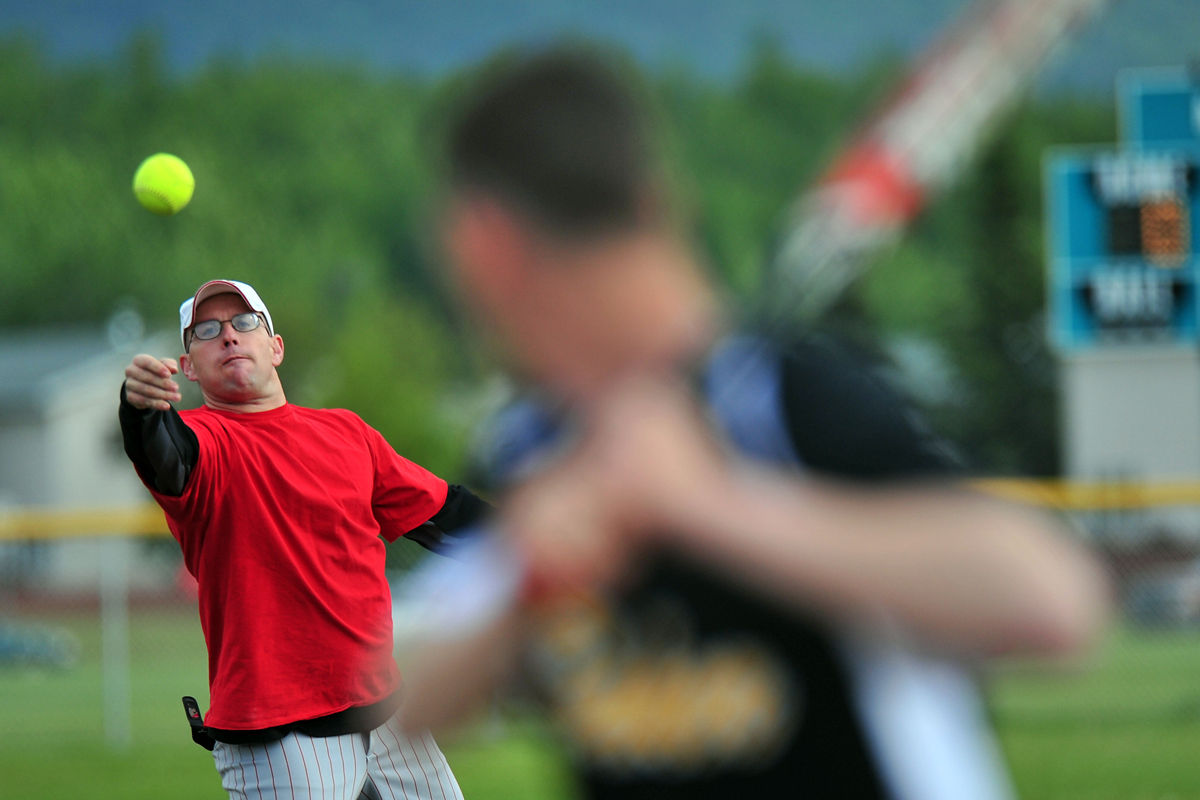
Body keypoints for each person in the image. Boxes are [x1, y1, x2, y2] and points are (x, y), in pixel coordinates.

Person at [395, 50, 1109, 800]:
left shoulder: (782, 397)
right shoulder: (541, 443)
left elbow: (1052, 599)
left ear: (483, 246)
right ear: (658, 200)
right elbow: (403, 695)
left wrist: (706, 504)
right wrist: (527, 578)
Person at [120, 279, 489, 800]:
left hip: (386, 711)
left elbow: (445, 513)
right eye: (207, 330)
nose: (228, 336)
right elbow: (165, 455)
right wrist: (140, 411)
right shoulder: (205, 443)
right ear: (187, 366)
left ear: (276, 348)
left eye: (244, 323)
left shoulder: (346, 433)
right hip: (278, 731)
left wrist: (547, 543)